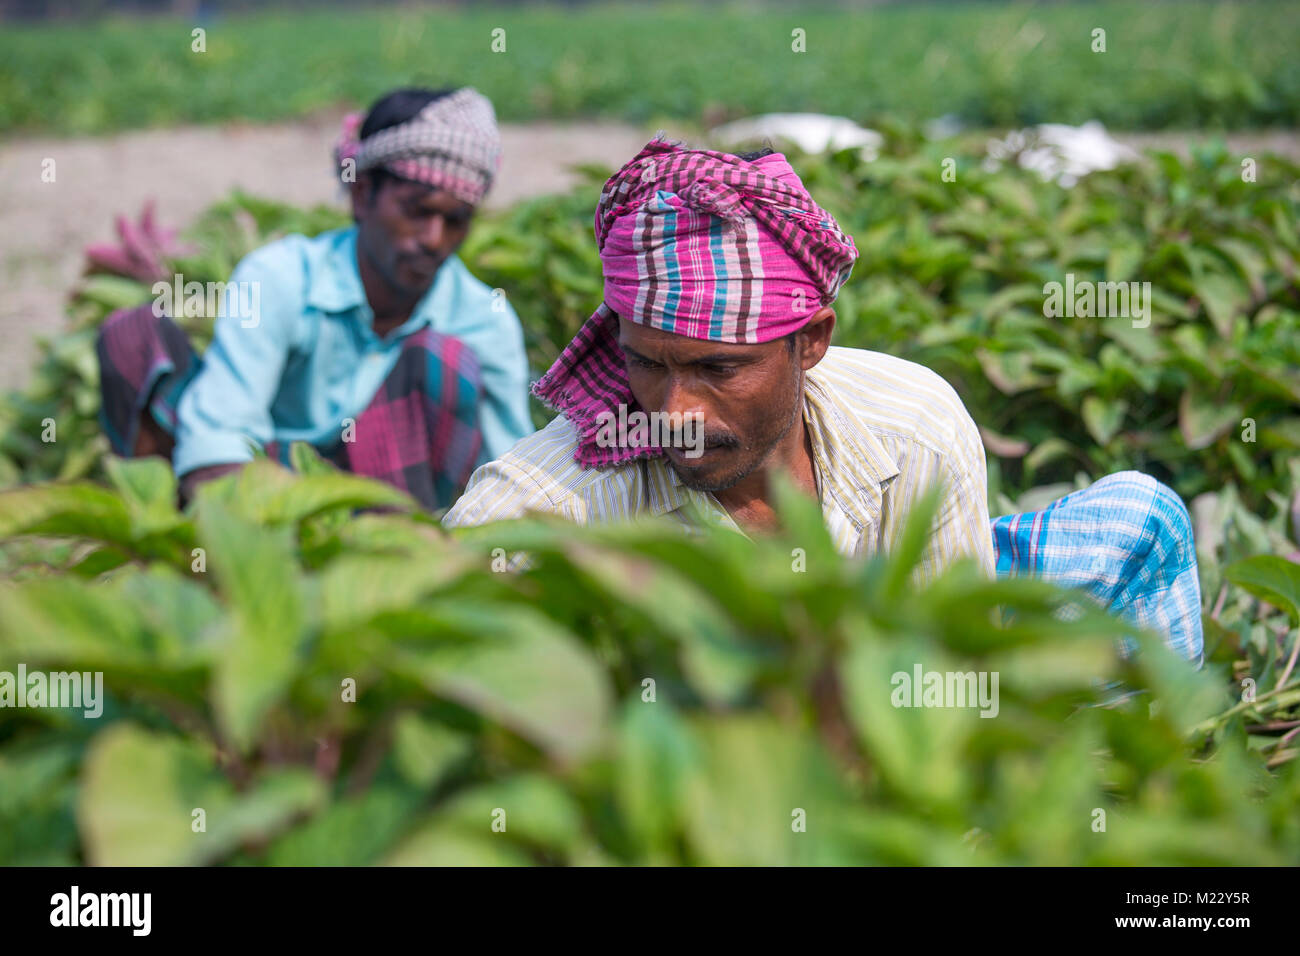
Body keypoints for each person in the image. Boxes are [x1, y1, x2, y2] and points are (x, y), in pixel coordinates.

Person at [443, 136, 1203, 664]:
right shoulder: (539, 511)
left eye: (717, 369)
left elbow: (950, 678)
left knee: (1139, 520)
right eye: (646, 364)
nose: (674, 409)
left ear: (811, 343)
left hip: (881, 681)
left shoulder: (913, 427)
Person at [96, 86, 533, 510]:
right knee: (132, 335)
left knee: (445, 362)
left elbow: (510, 477)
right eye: (416, 210)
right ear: (362, 196)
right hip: (264, 480)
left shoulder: (483, 320)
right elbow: (221, 432)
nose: (434, 239)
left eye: (455, 220)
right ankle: (165, 537)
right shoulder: (281, 279)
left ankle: (397, 562)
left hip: (388, 507)